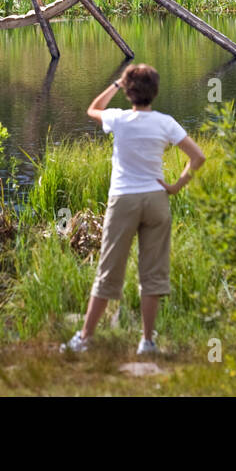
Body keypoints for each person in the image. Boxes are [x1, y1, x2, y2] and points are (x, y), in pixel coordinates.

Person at [60, 63, 206, 356]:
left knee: (109, 270)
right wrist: (177, 185)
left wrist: (116, 83)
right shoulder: (166, 122)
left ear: (128, 91)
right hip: (156, 200)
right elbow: (198, 157)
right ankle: (147, 342)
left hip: (124, 199)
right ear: (156, 91)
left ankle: (85, 338)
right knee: (152, 273)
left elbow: (93, 108)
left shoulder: (118, 119)